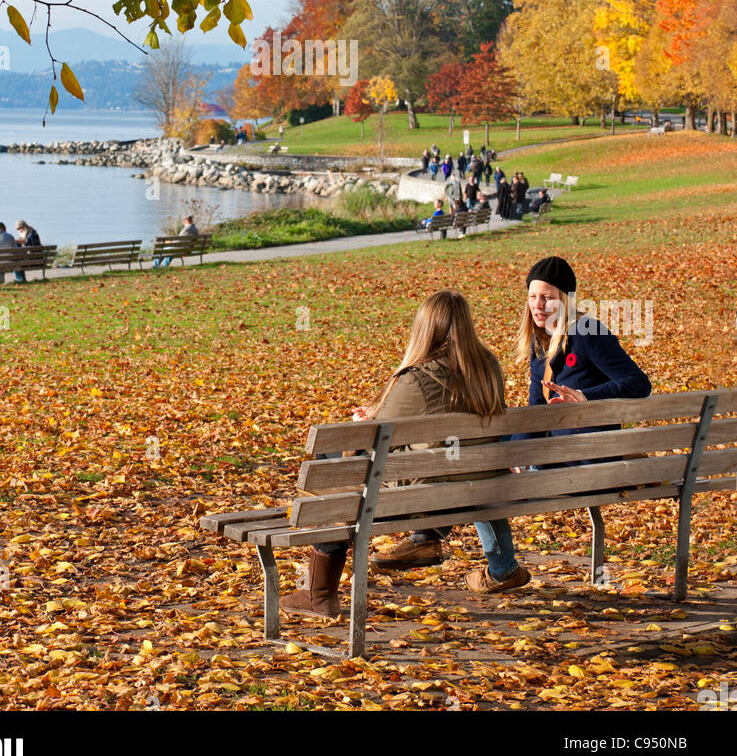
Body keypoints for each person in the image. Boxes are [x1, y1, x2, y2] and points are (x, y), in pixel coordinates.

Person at [279, 291, 530, 618]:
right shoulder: (488, 366)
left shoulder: (418, 378)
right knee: (398, 463)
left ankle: (319, 592)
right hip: (480, 487)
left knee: (333, 464)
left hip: (424, 496)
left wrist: (363, 423)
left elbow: (373, 440)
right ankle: (426, 539)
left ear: (424, 328)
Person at [513, 257, 651, 460]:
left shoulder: (587, 333)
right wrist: (514, 454)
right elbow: (536, 407)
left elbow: (638, 383)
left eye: (547, 297)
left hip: (588, 460)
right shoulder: (539, 341)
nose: (538, 305)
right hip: (555, 457)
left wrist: (584, 397)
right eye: (532, 296)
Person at [13, 220, 40, 284]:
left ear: (24, 227)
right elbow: (19, 245)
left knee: (16, 262)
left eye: (20, 228)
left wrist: (15, 241)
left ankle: (20, 279)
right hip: (32, 258)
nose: (19, 231)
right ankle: (22, 279)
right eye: (17, 229)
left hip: (35, 259)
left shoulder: (32, 233)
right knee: (16, 260)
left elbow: (28, 241)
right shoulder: (25, 235)